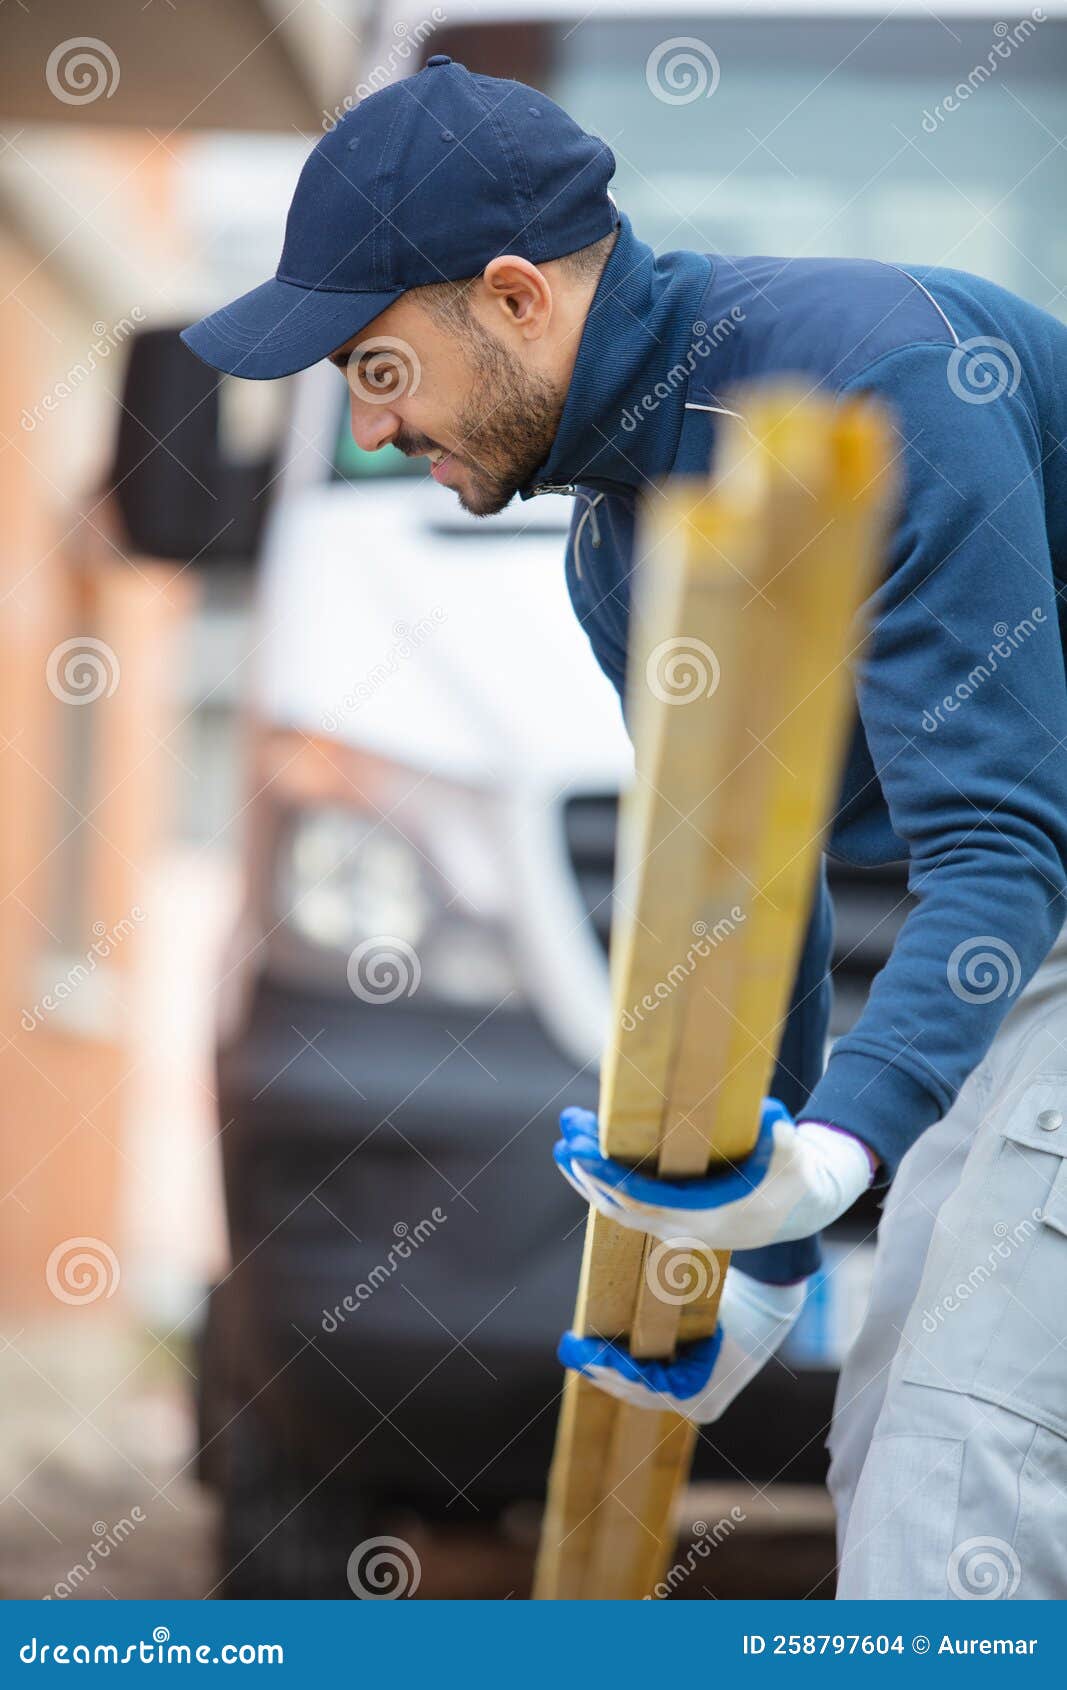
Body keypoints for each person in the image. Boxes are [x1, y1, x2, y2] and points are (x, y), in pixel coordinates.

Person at [182, 56, 1067, 1599]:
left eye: (379, 368)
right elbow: (757, 886)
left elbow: (1000, 850)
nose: (374, 425)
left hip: (1033, 907)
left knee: (959, 1462)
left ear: (516, 297)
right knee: (891, 1437)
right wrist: (766, 1254)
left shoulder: (882, 383)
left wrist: (842, 1143)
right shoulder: (619, 544)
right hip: (1029, 951)